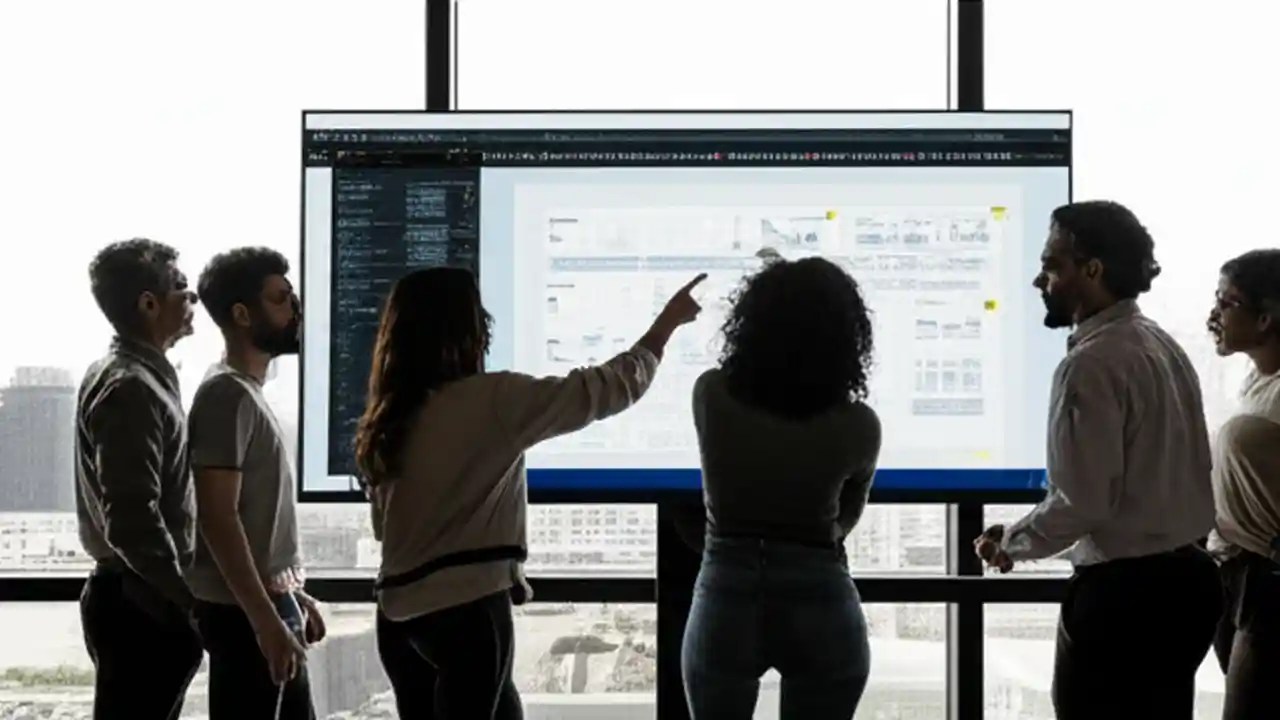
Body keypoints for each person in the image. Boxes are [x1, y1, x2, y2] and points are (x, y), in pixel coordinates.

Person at [356, 267, 705, 719]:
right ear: (469, 332)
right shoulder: (493, 400)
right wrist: (666, 325)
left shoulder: (386, 418)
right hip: (467, 611)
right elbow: (608, 387)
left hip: (397, 618)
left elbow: (384, 528)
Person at [973, 201, 1221, 719]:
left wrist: (1011, 545)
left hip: (1125, 603)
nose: (1039, 281)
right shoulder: (1163, 346)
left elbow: (1084, 502)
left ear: (1092, 270)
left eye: (1052, 265)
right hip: (1190, 586)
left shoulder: (1090, 364)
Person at [680, 257, 879, 720]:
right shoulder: (860, 425)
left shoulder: (711, 395)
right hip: (822, 597)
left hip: (725, 591)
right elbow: (847, 515)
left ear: (748, 324)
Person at [186, 247, 323, 719]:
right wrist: (266, 621)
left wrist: (289, 597)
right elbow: (218, 518)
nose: (296, 309)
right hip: (244, 617)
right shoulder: (227, 396)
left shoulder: (244, 392)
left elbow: (251, 519)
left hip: (263, 608)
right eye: (281, 299)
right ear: (242, 315)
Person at [75, 238, 204, 719]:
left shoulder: (125, 375)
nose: (192, 297)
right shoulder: (131, 388)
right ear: (149, 304)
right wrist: (187, 600)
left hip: (138, 598)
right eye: (181, 287)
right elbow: (131, 518)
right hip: (142, 604)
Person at [1205, 248, 1280, 719]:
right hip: (1236, 576)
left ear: (1266, 318)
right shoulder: (1256, 382)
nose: (1212, 315)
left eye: (1225, 302)